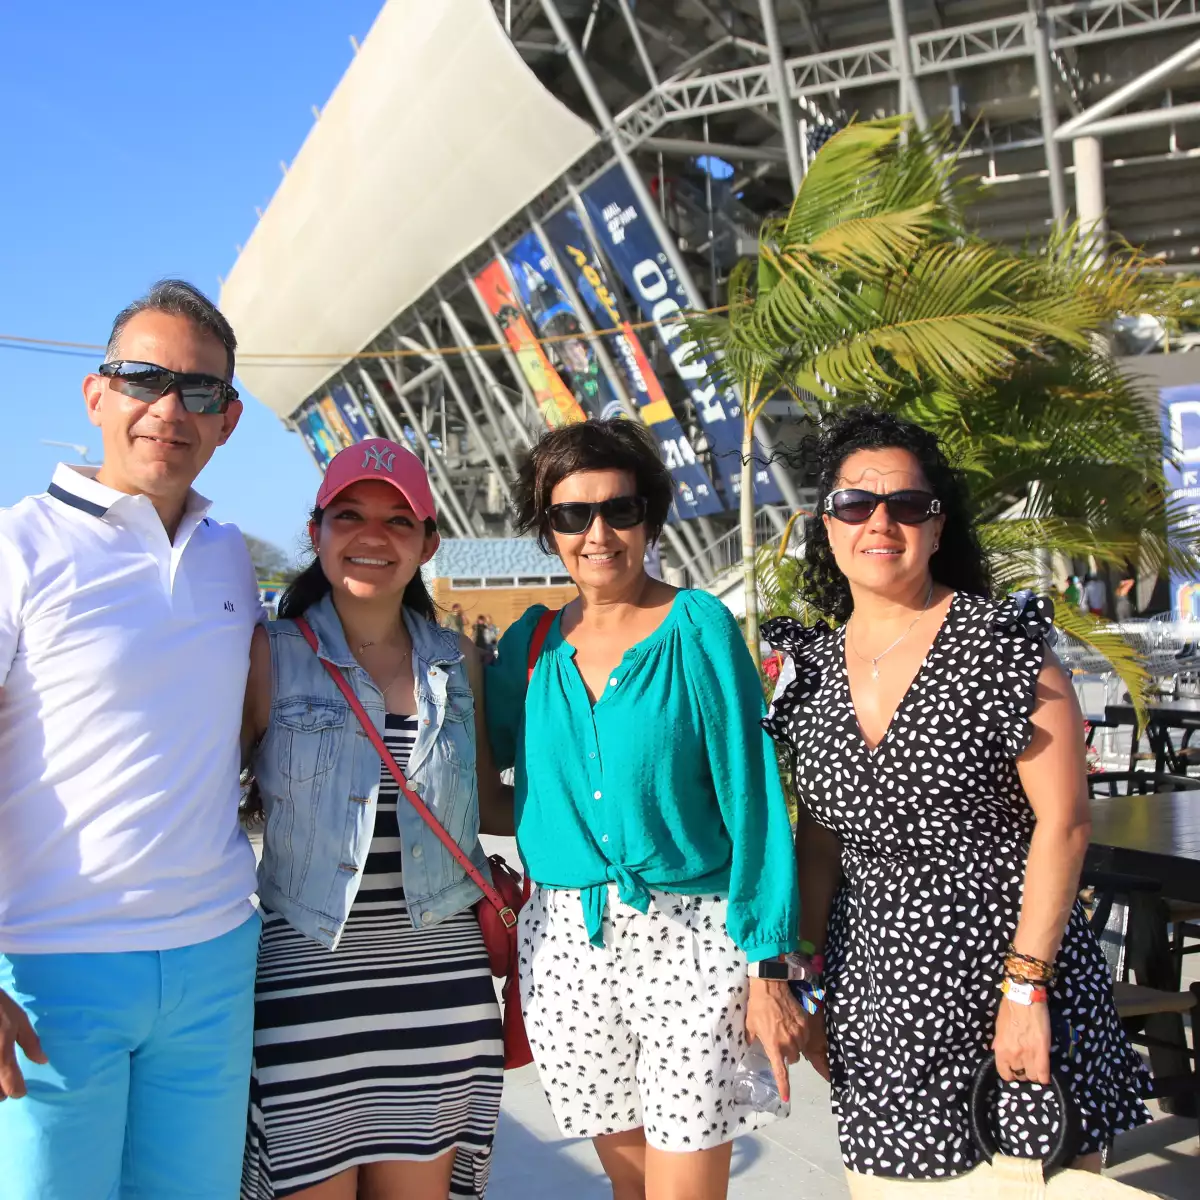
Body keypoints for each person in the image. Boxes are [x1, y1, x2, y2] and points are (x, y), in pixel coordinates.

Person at [762, 408, 1149, 1191]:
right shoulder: (809, 668)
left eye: (907, 505)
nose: (881, 521)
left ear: (938, 528)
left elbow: (1064, 824)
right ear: (826, 528)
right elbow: (821, 844)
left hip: (1009, 987)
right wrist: (793, 972)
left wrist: (1026, 987)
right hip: (878, 1008)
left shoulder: (1002, 647)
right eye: (854, 505)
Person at [484, 420, 806, 1200]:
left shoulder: (696, 628)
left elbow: (752, 797)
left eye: (618, 511)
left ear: (649, 517)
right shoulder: (530, 647)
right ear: (547, 529)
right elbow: (460, 770)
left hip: (691, 945)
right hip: (566, 950)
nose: (597, 533)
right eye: (571, 515)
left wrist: (768, 964)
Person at [0, 280, 263, 1198]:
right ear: (95, 394)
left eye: (198, 392)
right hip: (49, 970)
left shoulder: (230, 554)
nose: (168, 409)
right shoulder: (17, 548)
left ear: (227, 420)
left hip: (216, 959)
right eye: (142, 378)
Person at [240, 438, 510, 1200]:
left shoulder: (459, 661)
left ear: (428, 541)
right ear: (317, 530)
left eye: (399, 520)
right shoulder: (269, 655)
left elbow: (492, 800)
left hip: (442, 995)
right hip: (307, 996)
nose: (372, 536)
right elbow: (204, 804)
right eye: (350, 515)